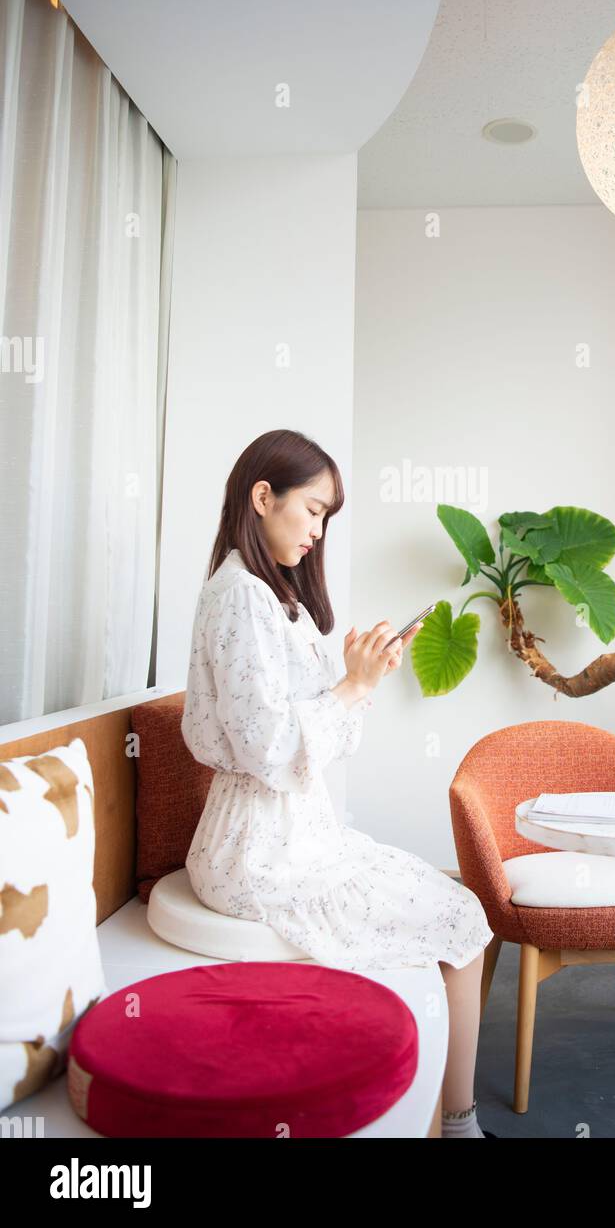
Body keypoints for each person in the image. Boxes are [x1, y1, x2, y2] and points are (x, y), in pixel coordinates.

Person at [180, 428, 497, 1139]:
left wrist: (359, 680)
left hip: (298, 833)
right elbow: (266, 749)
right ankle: (457, 1121)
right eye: (313, 510)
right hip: (256, 849)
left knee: (459, 918)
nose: (318, 532)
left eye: (327, 517)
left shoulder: (278, 602)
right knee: (460, 924)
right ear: (263, 497)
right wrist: (347, 688)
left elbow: (319, 746)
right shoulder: (237, 596)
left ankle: (450, 1116)